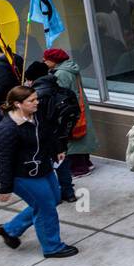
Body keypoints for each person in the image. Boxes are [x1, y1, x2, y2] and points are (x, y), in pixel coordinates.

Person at [0, 85, 78, 259]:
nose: (37, 103)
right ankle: (52, 247)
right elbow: (4, 160)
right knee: (46, 209)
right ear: (17, 104)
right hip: (23, 176)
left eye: (36, 98)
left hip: (43, 169)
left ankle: (9, 230)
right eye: (31, 100)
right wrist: (5, 187)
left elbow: (48, 135)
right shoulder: (7, 129)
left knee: (52, 200)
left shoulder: (35, 116)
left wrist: (57, 149)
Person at [25, 60, 80, 204]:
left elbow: (34, 119)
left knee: (45, 167)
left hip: (44, 137)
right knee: (62, 163)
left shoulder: (37, 97)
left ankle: (54, 195)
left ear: (33, 79)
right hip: (61, 135)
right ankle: (68, 192)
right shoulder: (62, 90)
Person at [44, 48, 95, 178]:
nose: (44, 62)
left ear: (54, 61)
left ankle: (79, 168)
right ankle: (86, 162)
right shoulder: (71, 68)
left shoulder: (61, 74)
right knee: (81, 135)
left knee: (72, 138)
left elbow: (60, 94)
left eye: (46, 60)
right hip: (79, 106)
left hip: (69, 110)